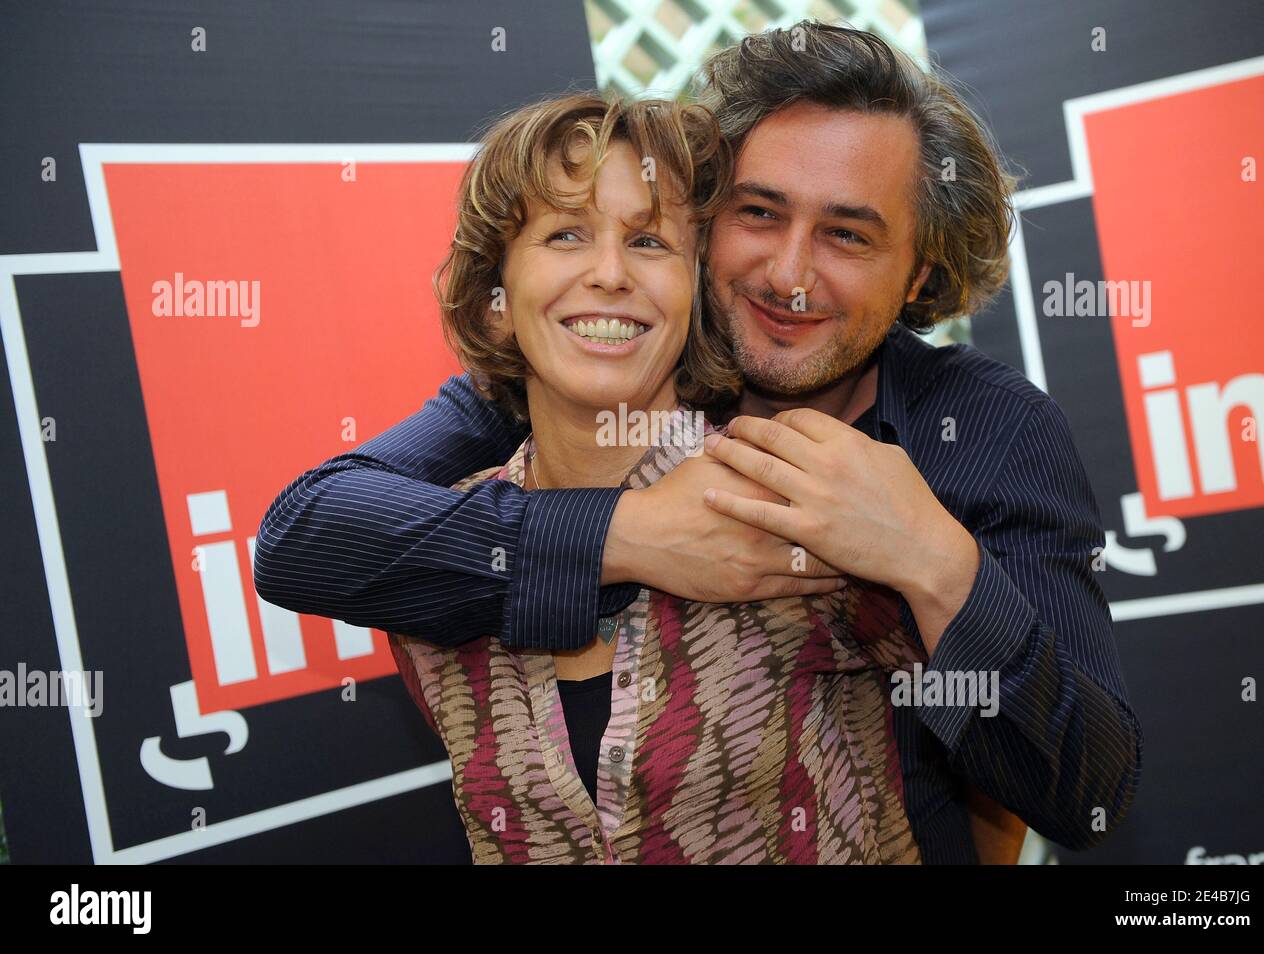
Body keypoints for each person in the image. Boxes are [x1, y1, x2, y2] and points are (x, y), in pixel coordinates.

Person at [255, 23, 1142, 864]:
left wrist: (932, 561)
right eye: (759, 214)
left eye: (846, 234)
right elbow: (307, 535)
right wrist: (629, 532)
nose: (789, 275)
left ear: (918, 270)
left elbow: (1085, 792)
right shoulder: (588, 372)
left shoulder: (989, 428)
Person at [379, 89, 930, 863]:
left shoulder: (797, 500)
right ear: (496, 301)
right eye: (565, 234)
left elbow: (983, 750)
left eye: (648, 243)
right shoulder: (439, 558)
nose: (609, 274)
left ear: (693, 289)